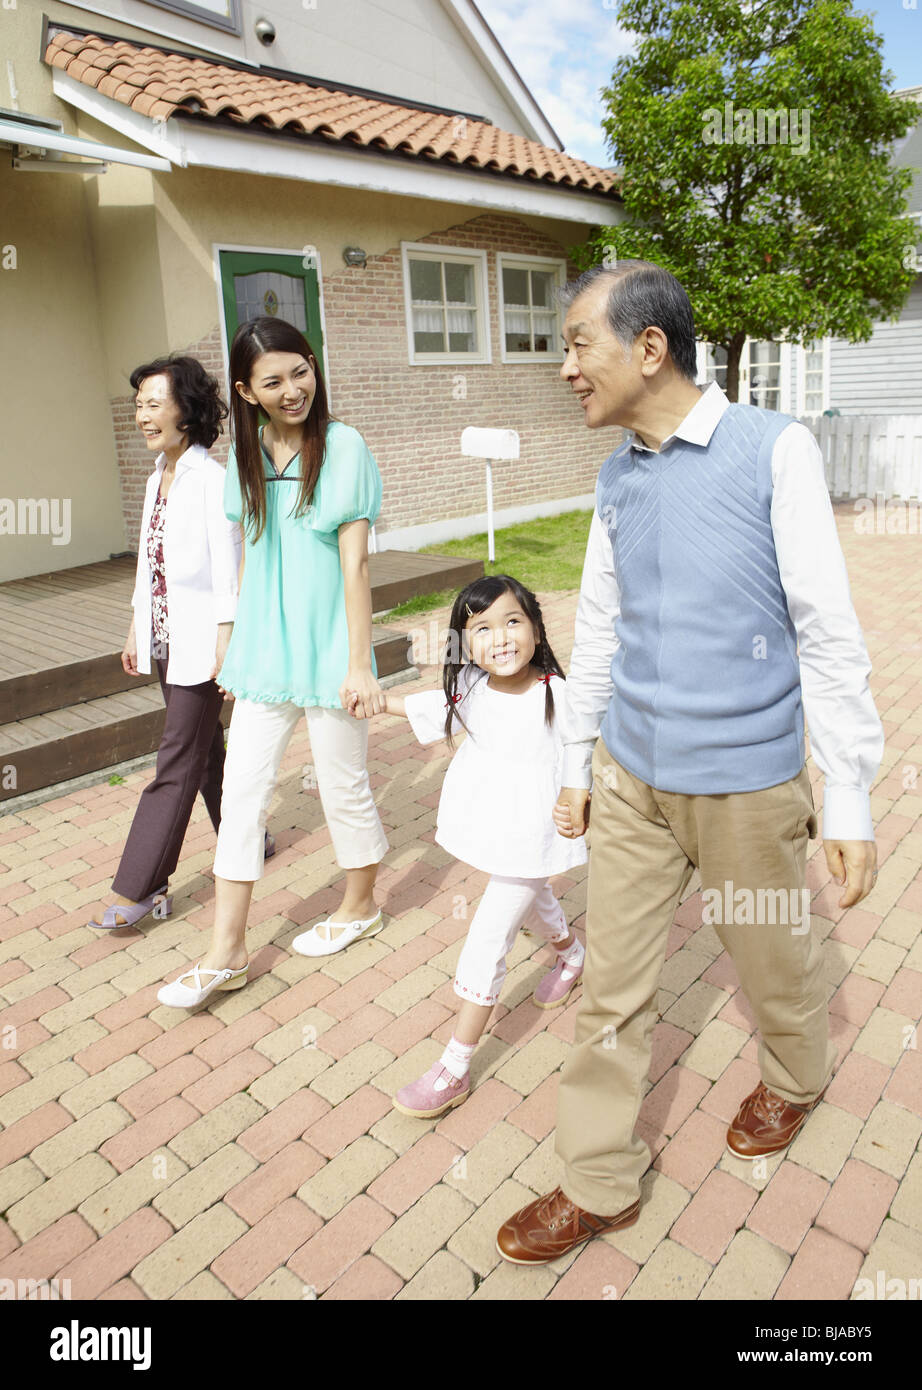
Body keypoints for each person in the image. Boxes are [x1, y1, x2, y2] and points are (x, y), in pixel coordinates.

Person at [496, 261, 884, 1265]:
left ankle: (794, 1079)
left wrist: (847, 800)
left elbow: (827, 634)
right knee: (611, 987)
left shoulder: (772, 450)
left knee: (773, 958)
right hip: (631, 778)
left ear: (649, 347)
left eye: (579, 341)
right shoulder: (616, 475)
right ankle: (598, 1180)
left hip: (747, 785)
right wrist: (578, 759)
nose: (565, 366)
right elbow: (602, 627)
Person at [157, 316, 389, 1008]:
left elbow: (356, 568)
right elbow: (253, 549)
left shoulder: (342, 446)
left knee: (342, 785)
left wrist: (358, 664)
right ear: (246, 391)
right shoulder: (249, 452)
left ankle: (362, 904)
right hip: (266, 651)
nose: (294, 389)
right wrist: (235, 638)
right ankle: (226, 952)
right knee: (243, 799)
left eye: (301, 371)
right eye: (273, 381)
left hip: (328, 649)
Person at [350, 575, 587, 1118]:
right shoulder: (473, 690)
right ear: (464, 642)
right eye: (482, 628)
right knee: (532, 894)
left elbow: (589, 744)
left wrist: (587, 795)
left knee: (487, 938)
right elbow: (428, 707)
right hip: (502, 831)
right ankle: (572, 956)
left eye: (512, 622)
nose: (500, 638)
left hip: (536, 829)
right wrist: (375, 700)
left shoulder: (558, 694)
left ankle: (455, 1066)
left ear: (535, 628)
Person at [88, 356, 246, 931]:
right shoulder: (160, 474)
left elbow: (228, 570)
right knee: (205, 748)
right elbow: (146, 564)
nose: (142, 416)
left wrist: (227, 642)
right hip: (165, 639)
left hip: (202, 644)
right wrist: (137, 625)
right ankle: (245, 832)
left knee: (176, 759)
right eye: (138, 405)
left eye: (154, 403)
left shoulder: (211, 479)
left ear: (188, 409)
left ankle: (143, 885)